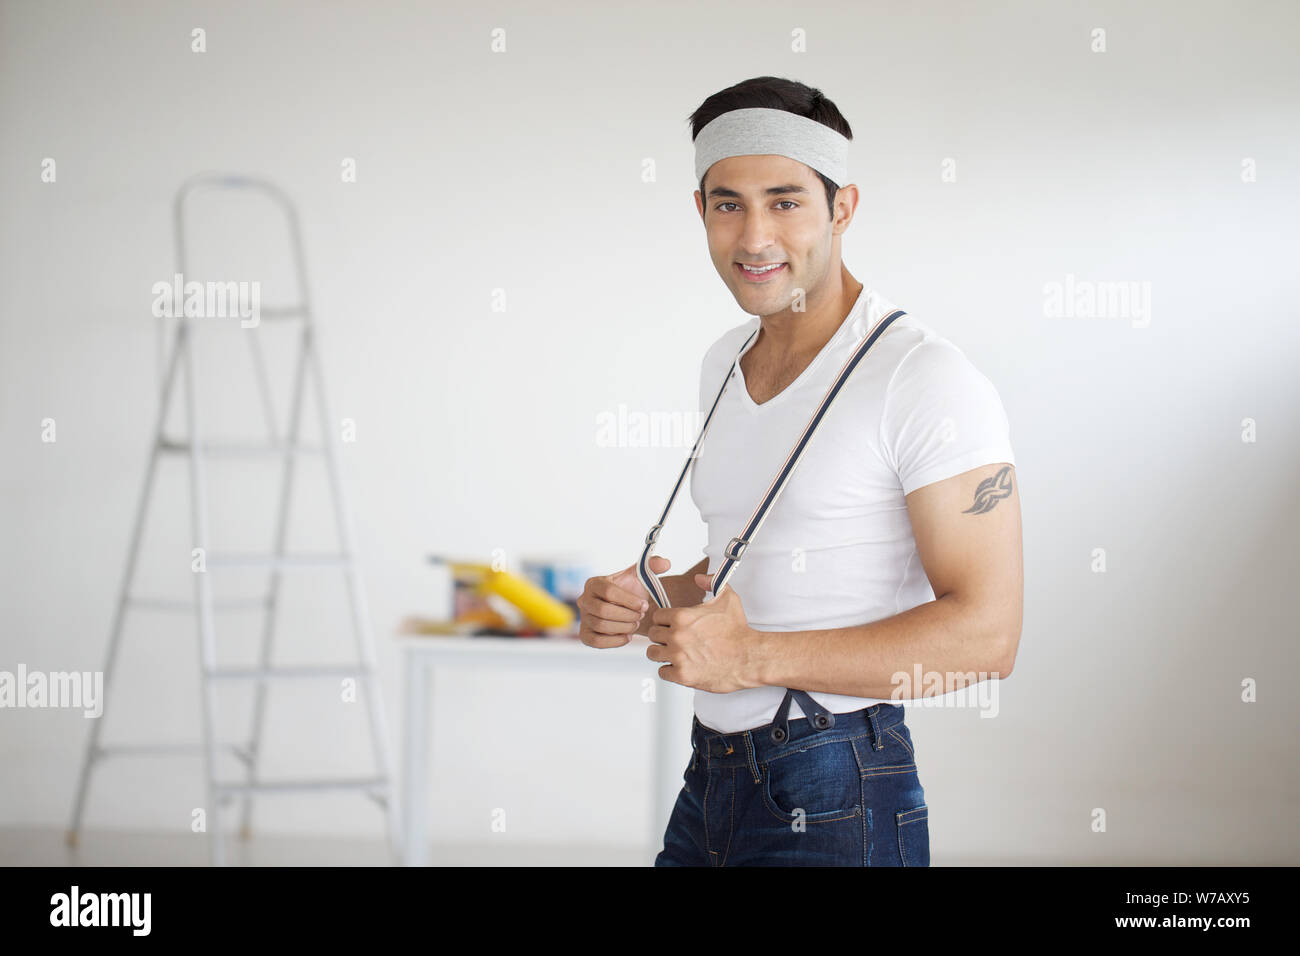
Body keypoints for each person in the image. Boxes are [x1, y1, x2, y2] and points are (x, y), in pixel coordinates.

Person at [577, 76, 1023, 866]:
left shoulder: (922, 376)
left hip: (838, 783)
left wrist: (754, 657)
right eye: (728, 204)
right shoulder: (725, 360)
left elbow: (987, 638)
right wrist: (647, 602)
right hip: (711, 778)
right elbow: (769, 559)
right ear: (701, 210)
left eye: (785, 201)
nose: (754, 238)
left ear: (842, 208)